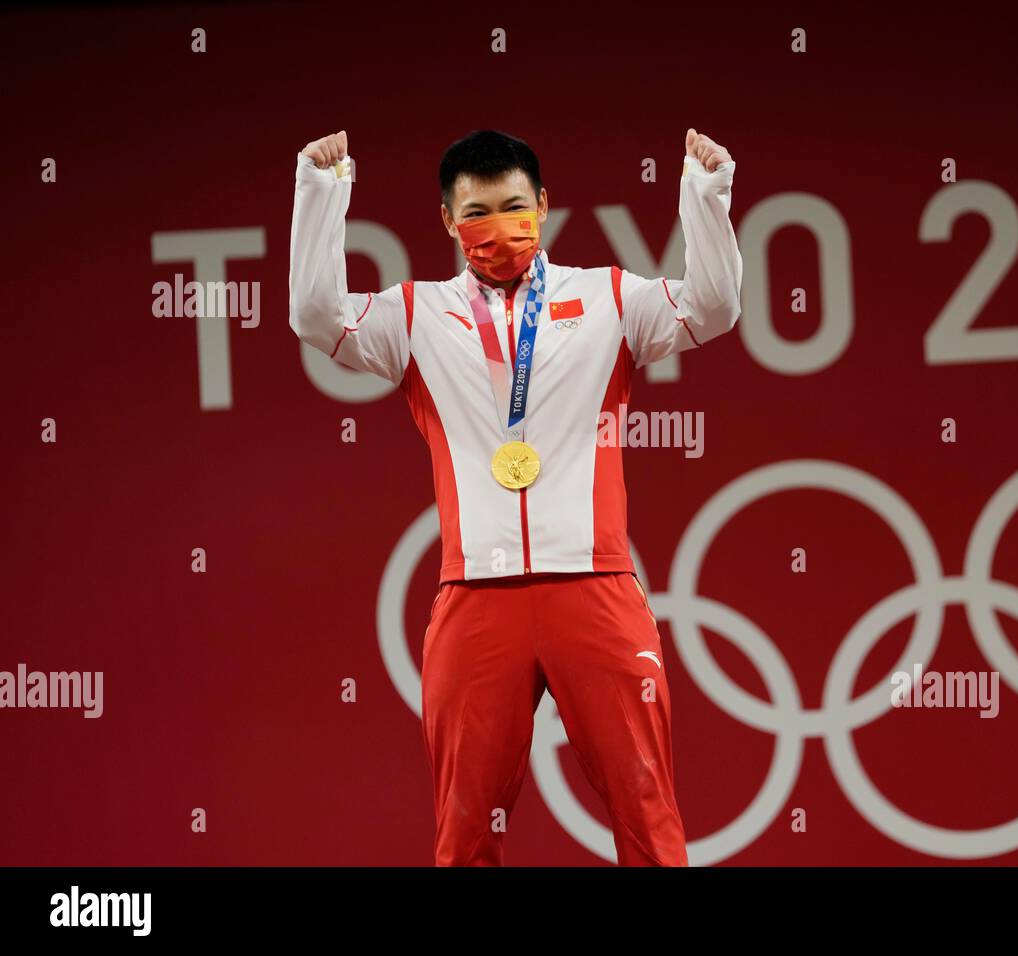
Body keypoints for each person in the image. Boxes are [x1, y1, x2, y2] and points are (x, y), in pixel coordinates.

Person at [289, 127, 742, 866]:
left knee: (648, 814)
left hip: (595, 587)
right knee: (464, 837)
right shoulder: (415, 316)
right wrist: (322, 191)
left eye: (514, 207)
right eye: (477, 213)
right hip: (475, 596)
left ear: (544, 207)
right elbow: (316, 317)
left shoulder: (607, 298)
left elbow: (714, 308)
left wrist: (705, 191)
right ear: (447, 220)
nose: (498, 228)